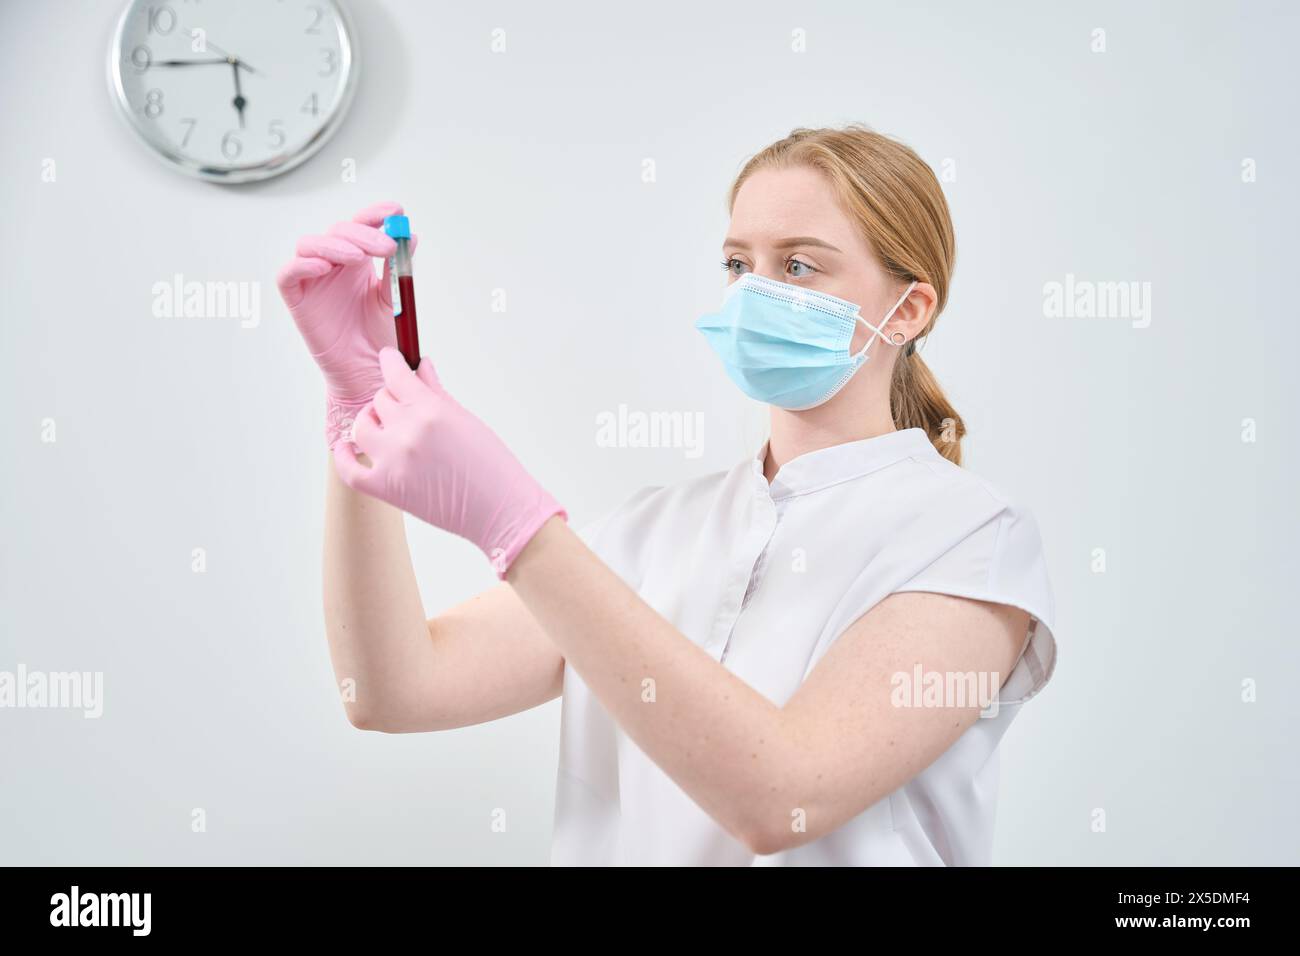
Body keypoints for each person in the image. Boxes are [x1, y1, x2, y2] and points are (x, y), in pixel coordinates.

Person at [275, 124, 1058, 866]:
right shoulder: (654, 529)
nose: (754, 293)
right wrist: (358, 405)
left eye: (798, 266)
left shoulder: (971, 540)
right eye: (737, 264)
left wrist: (517, 526)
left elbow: (783, 798)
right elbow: (390, 689)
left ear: (910, 309)